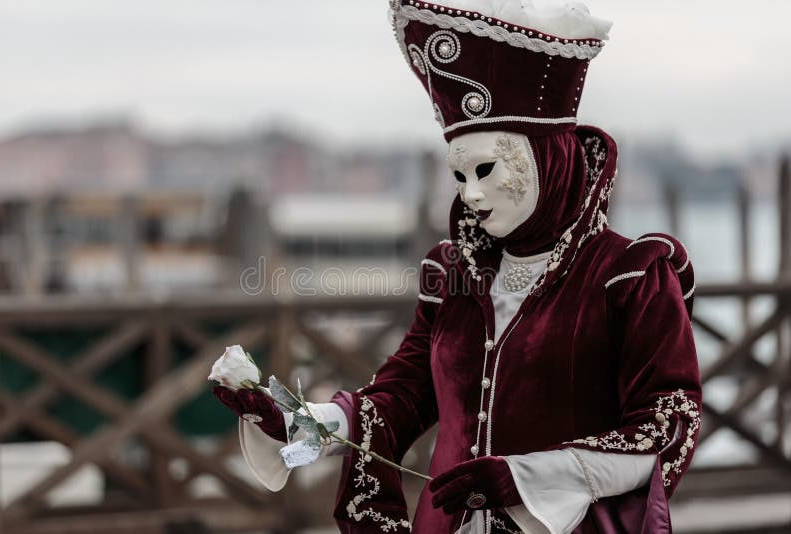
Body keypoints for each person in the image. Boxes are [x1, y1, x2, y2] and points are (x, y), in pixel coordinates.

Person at [214, 1, 702, 532]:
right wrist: (300, 423)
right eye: (459, 175)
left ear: (548, 156)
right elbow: (402, 395)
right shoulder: (454, 276)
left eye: (487, 168)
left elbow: (667, 429)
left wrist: (528, 477)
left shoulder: (630, 274)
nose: (472, 194)